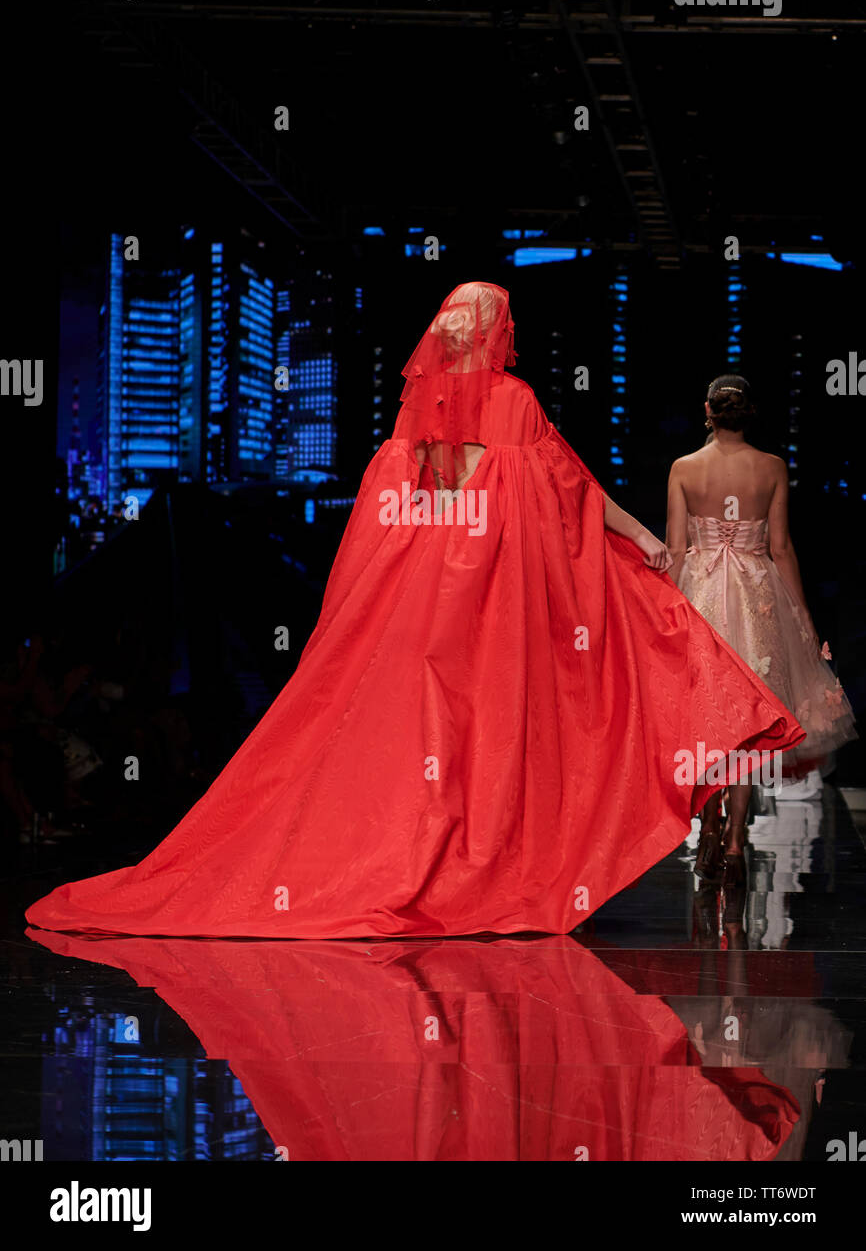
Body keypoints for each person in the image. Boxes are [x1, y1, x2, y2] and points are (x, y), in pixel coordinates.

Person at [27, 285, 803, 939]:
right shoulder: (515, 402)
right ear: (495, 332)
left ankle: (412, 856)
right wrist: (644, 543)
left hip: (428, 599)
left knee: (422, 730)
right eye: (505, 327)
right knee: (493, 727)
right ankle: (474, 864)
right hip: (496, 597)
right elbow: (572, 490)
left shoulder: (417, 416)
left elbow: (394, 516)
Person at [666, 374, 856, 885]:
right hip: (757, 600)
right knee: (747, 726)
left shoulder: (684, 468)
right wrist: (804, 619)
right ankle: (733, 842)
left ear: (707, 410)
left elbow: (678, 549)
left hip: (701, 598)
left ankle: (708, 825)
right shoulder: (771, 467)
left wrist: (660, 612)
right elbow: (781, 548)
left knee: (708, 720)